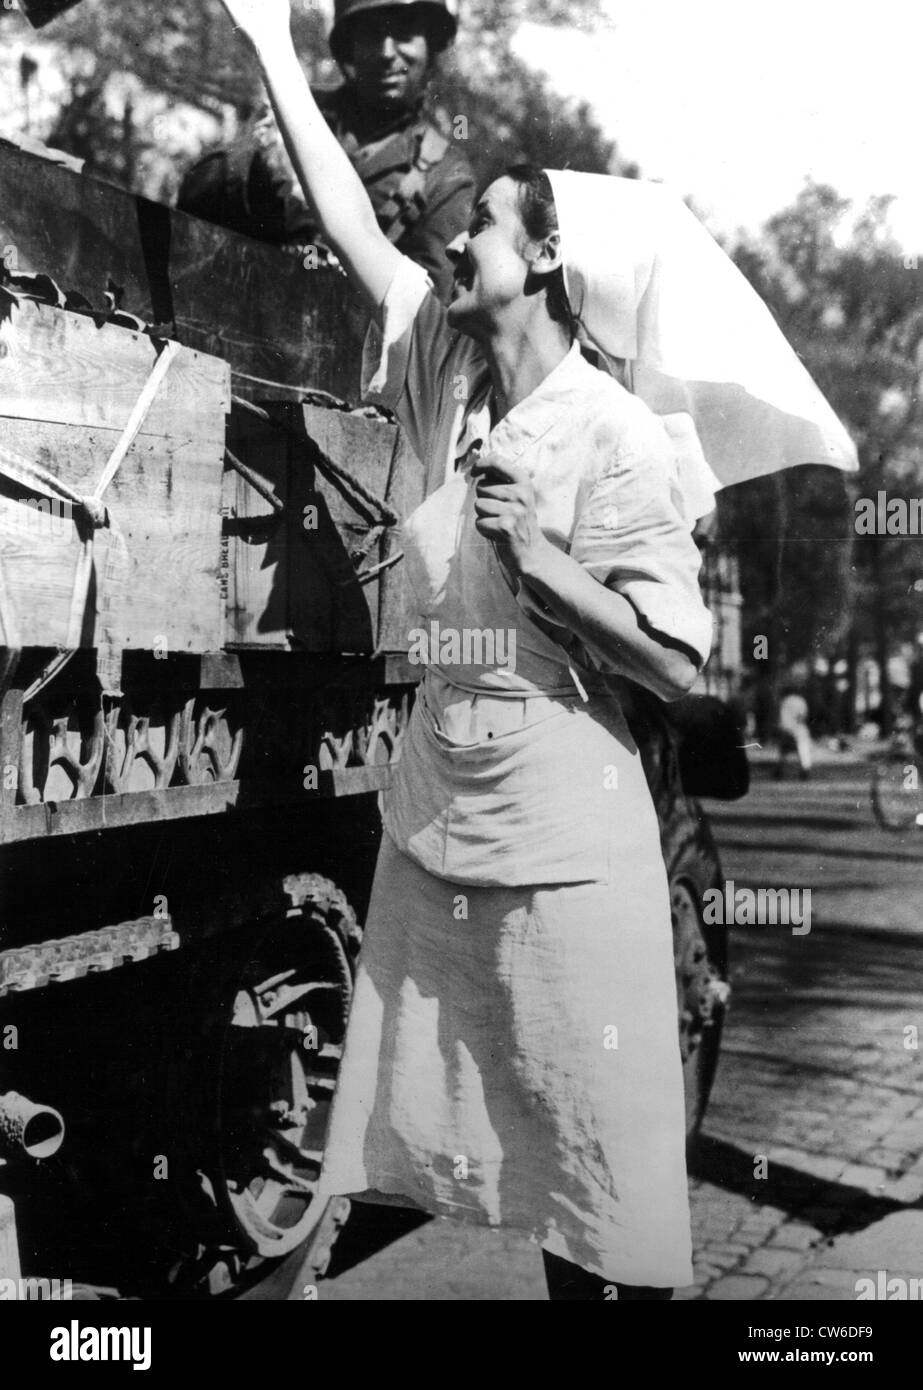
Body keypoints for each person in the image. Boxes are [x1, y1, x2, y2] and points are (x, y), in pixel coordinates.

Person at [215, 0, 857, 1301]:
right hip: (446, 826)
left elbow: (676, 662)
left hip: (568, 857)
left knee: (588, 1205)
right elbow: (348, 222)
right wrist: (269, 45)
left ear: (542, 252)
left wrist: (549, 565)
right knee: (485, 1169)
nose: (450, 239)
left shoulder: (612, 433)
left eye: (477, 229)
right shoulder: (441, 371)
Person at [179, 0, 475, 301]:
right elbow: (195, 197)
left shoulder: (447, 172)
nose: (387, 53)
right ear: (350, 47)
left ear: (430, 45)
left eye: (403, 33)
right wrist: (261, 170)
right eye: (372, 34)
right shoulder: (292, 107)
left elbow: (431, 308)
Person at [775, 688, 813, 780]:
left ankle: (779, 770)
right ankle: (805, 769)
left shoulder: (784, 701)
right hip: (797, 728)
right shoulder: (800, 700)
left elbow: (780, 716)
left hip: (786, 729)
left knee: (784, 751)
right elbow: (802, 716)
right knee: (803, 749)